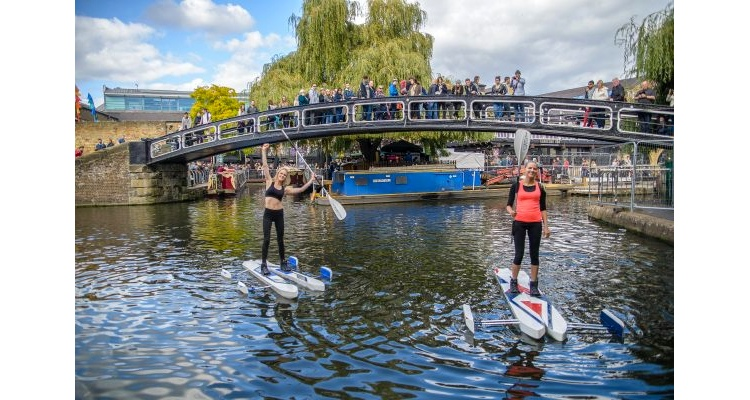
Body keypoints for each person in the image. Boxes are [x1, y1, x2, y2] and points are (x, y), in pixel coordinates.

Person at [259, 143, 317, 275]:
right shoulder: (269, 181)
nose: (283, 175)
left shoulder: (285, 189)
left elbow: (301, 189)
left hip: (279, 214)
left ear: (286, 177)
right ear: (278, 174)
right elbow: (265, 166)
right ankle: (264, 264)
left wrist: (311, 180)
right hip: (268, 214)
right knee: (266, 239)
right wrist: (263, 151)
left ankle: (283, 262)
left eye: (285, 175)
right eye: (281, 173)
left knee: (280, 239)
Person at [505, 161, 551, 297]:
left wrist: (546, 226)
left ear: (537, 171)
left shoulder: (540, 187)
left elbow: (543, 208)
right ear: (524, 170)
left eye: (534, 169)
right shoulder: (516, 186)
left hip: (535, 223)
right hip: (519, 222)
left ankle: (534, 284)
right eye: (529, 168)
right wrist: (511, 212)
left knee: (534, 254)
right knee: (519, 253)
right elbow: (508, 205)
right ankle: (513, 281)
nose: (532, 170)